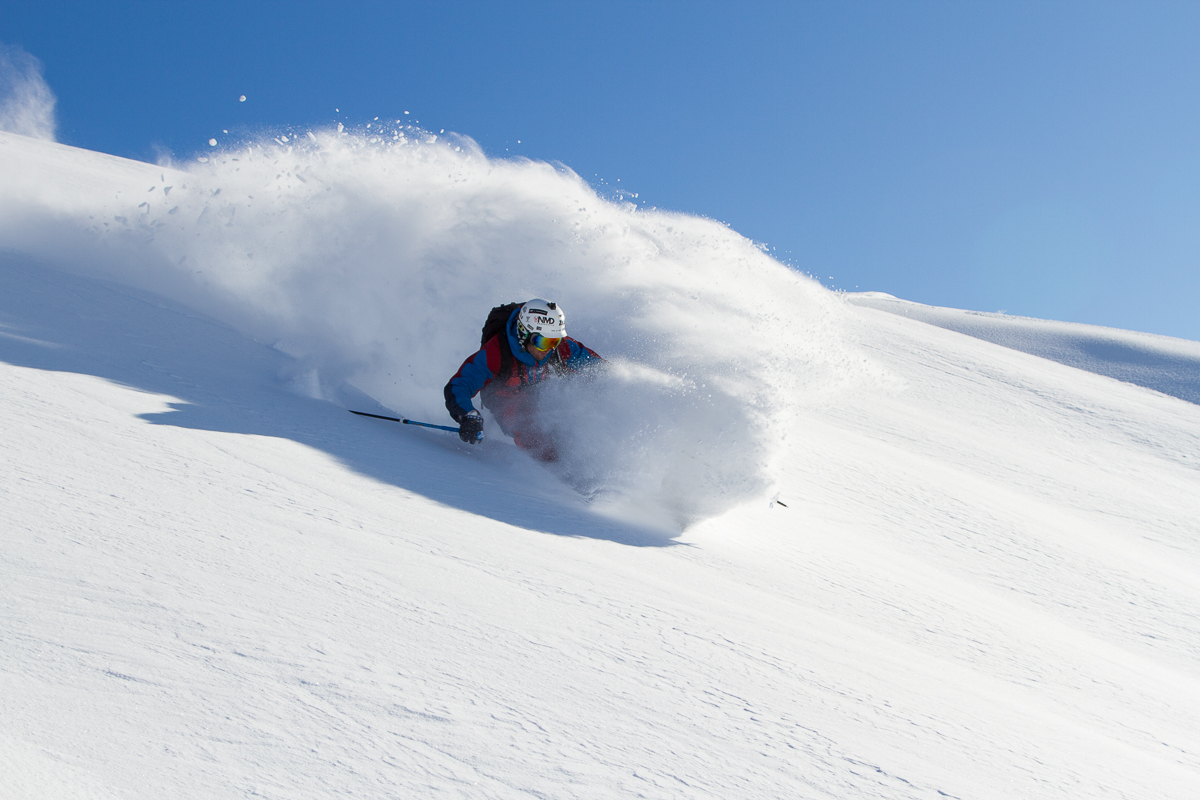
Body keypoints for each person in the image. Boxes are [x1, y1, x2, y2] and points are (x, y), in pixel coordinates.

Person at [444, 299, 603, 461]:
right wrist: (468, 416)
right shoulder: (496, 352)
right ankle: (550, 472)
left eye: (554, 341)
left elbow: (596, 365)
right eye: (542, 342)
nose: (549, 349)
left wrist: (615, 384)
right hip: (505, 399)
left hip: (539, 393)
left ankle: (587, 462)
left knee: (571, 416)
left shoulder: (558, 348)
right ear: (523, 334)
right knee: (531, 425)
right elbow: (460, 385)